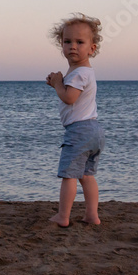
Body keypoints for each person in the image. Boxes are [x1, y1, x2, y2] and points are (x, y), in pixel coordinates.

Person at [46, 12, 105, 227]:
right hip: (94, 130)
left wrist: (57, 84)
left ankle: (63, 216)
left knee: (69, 175)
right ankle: (92, 215)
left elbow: (70, 98)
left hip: (79, 130)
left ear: (92, 48)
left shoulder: (79, 73)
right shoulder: (84, 71)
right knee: (87, 175)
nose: (73, 46)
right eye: (67, 41)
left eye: (80, 42)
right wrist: (60, 81)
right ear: (61, 44)